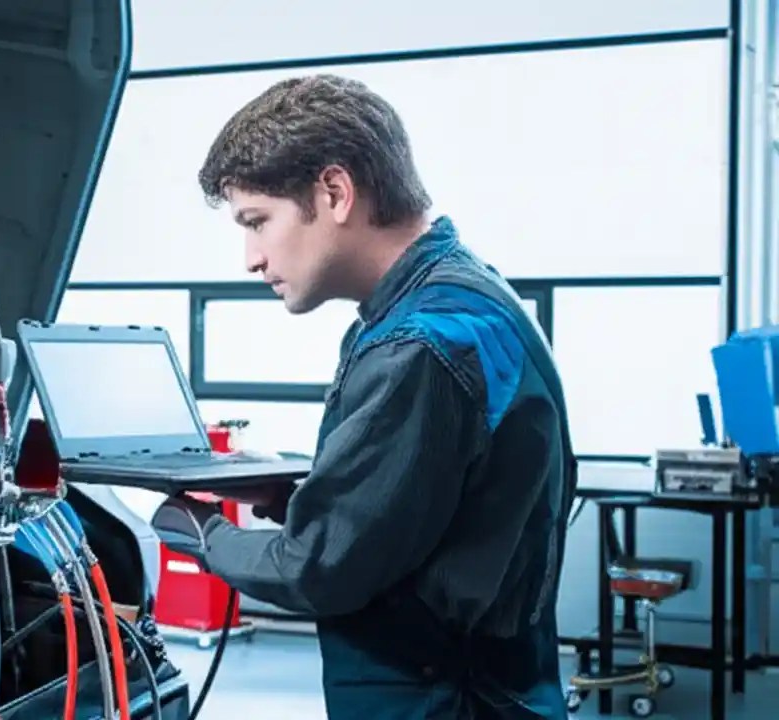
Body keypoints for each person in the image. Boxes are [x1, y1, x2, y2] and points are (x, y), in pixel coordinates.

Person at [150, 75, 578, 719]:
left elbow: (317, 570)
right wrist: (287, 496)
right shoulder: (464, 298)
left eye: (257, 221)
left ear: (334, 192)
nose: (251, 257)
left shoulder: (420, 346)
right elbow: (425, 520)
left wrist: (201, 533)